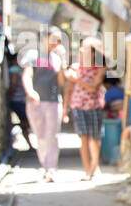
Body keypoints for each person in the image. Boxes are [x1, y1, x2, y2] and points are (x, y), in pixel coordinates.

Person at [64, 37, 107, 180]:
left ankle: (94, 167)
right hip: (78, 105)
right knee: (84, 138)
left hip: (93, 105)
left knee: (94, 139)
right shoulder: (76, 67)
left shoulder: (99, 68)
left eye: (85, 48)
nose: (82, 50)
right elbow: (69, 90)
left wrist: (77, 80)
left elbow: (94, 87)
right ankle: (88, 170)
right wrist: (65, 109)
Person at [19, 43, 63, 181]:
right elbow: (27, 75)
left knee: (52, 134)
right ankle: (45, 165)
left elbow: (61, 82)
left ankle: (51, 168)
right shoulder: (33, 55)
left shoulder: (57, 59)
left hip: (53, 100)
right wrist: (30, 92)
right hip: (36, 102)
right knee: (41, 135)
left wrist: (63, 63)